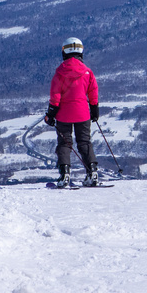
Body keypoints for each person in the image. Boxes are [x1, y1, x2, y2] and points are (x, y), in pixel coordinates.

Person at [44, 37, 100, 187]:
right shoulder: (87, 72)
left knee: (64, 144)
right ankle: (92, 172)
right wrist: (94, 111)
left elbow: (55, 97)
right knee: (84, 142)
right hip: (83, 114)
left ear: (64, 52)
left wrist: (50, 115)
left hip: (64, 115)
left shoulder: (59, 73)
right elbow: (93, 93)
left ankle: (65, 175)